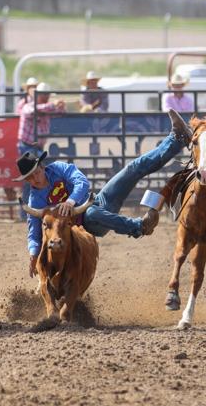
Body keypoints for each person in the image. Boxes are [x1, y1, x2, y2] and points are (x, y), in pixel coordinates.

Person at [17, 110, 193, 277]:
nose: (35, 179)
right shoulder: (36, 201)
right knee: (92, 213)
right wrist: (33, 253)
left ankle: (177, 138)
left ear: (42, 166)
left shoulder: (58, 168)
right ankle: (140, 227)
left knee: (132, 168)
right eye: (30, 178)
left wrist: (70, 201)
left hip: (96, 201)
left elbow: (82, 182)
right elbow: (34, 232)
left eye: (36, 173)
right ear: (26, 181)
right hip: (84, 226)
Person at [16, 81, 66, 220]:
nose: (46, 96)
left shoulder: (43, 107)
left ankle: (31, 210)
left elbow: (59, 112)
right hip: (27, 147)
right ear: (37, 95)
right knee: (33, 178)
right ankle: (28, 212)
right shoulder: (28, 107)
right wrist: (54, 105)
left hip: (35, 148)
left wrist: (60, 106)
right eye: (43, 94)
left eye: (47, 94)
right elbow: (36, 110)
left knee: (35, 178)